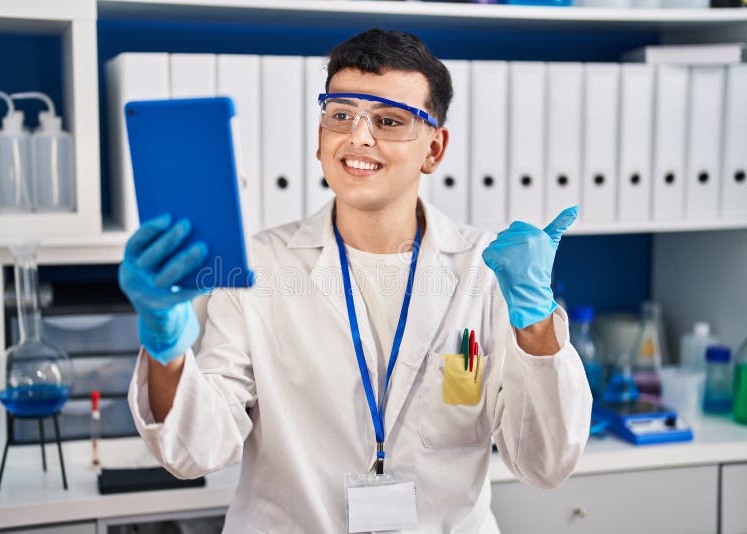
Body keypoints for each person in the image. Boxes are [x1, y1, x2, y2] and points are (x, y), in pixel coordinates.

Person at [120, 28, 592, 533]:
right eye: (341, 115)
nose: (358, 137)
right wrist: (167, 345)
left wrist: (537, 323)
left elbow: (545, 464)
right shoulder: (256, 268)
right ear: (320, 137)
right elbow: (195, 452)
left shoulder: (488, 269)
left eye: (388, 121)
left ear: (435, 149)